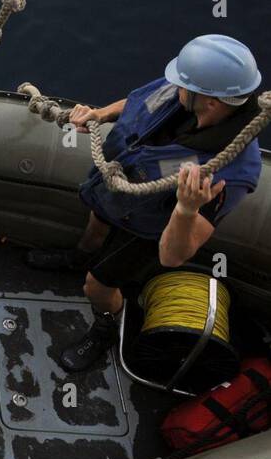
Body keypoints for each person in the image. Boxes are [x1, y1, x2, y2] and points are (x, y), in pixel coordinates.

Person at [40, 35, 264, 372]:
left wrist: (187, 208)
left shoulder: (228, 172)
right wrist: (99, 114)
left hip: (149, 227)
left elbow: (172, 255)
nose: (176, 89)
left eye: (183, 87)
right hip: (118, 188)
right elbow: (136, 105)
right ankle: (79, 256)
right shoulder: (186, 91)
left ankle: (106, 326)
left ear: (211, 102)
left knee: (97, 285)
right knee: (94, 227)